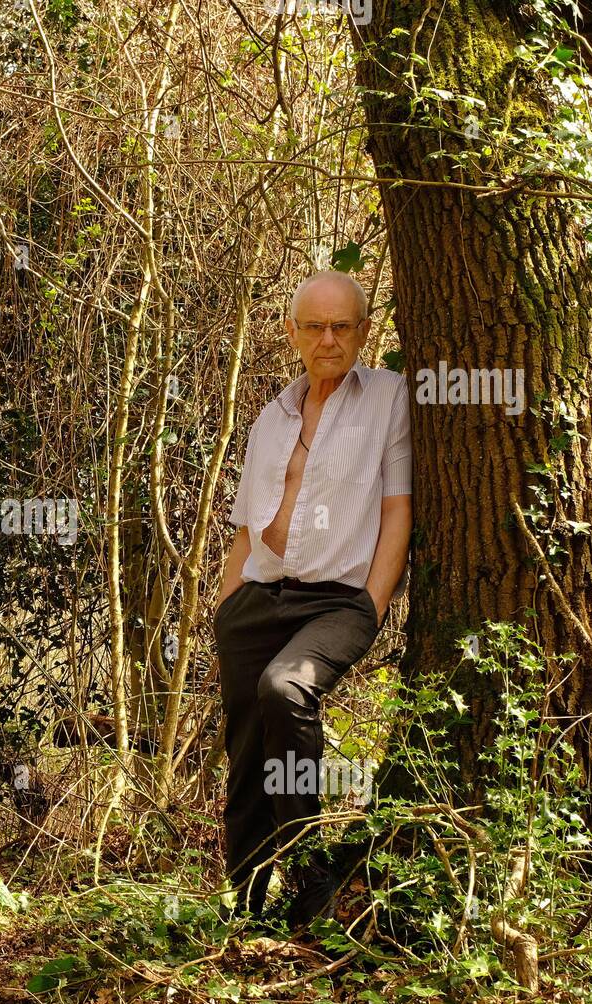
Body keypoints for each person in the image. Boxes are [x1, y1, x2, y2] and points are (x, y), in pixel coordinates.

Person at [213, 269, 412, 931]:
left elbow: (397, 510)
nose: (328, 339)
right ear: (293, 333)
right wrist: (225, 605)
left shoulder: (389, 397)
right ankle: (244, 907)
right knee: (244, 755)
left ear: (363, 331)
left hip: (335, 603)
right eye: (314, 326)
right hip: (256, 601)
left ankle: (309, 877)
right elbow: (246, 527)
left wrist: (371, 604)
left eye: (342, 326)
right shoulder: (271, 419)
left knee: (286, 691)